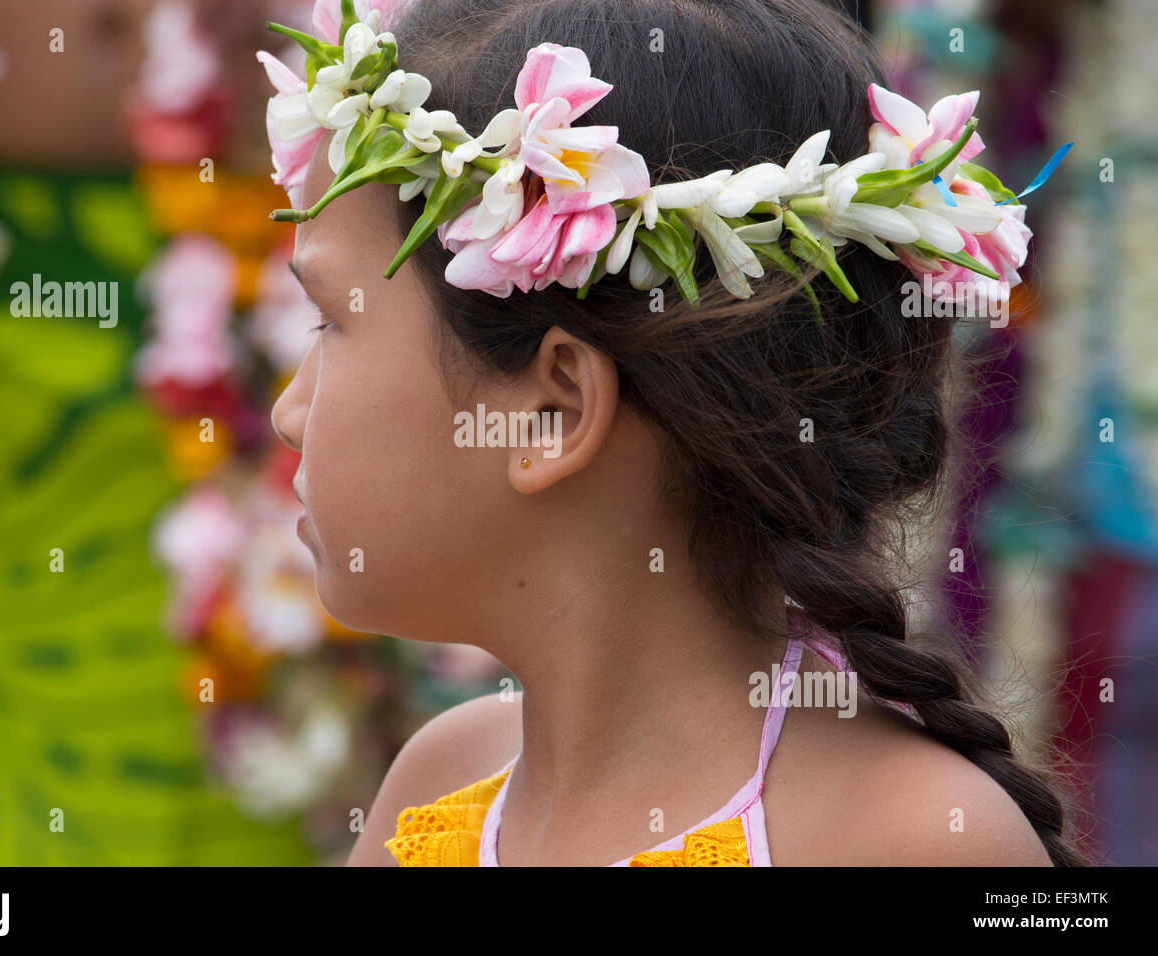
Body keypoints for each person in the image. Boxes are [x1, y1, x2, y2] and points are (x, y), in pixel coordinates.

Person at [266, 0, 1087, 866]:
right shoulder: (440, 781)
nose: (288, 411)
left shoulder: (902, 839)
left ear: (555, 409)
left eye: (328, 321)